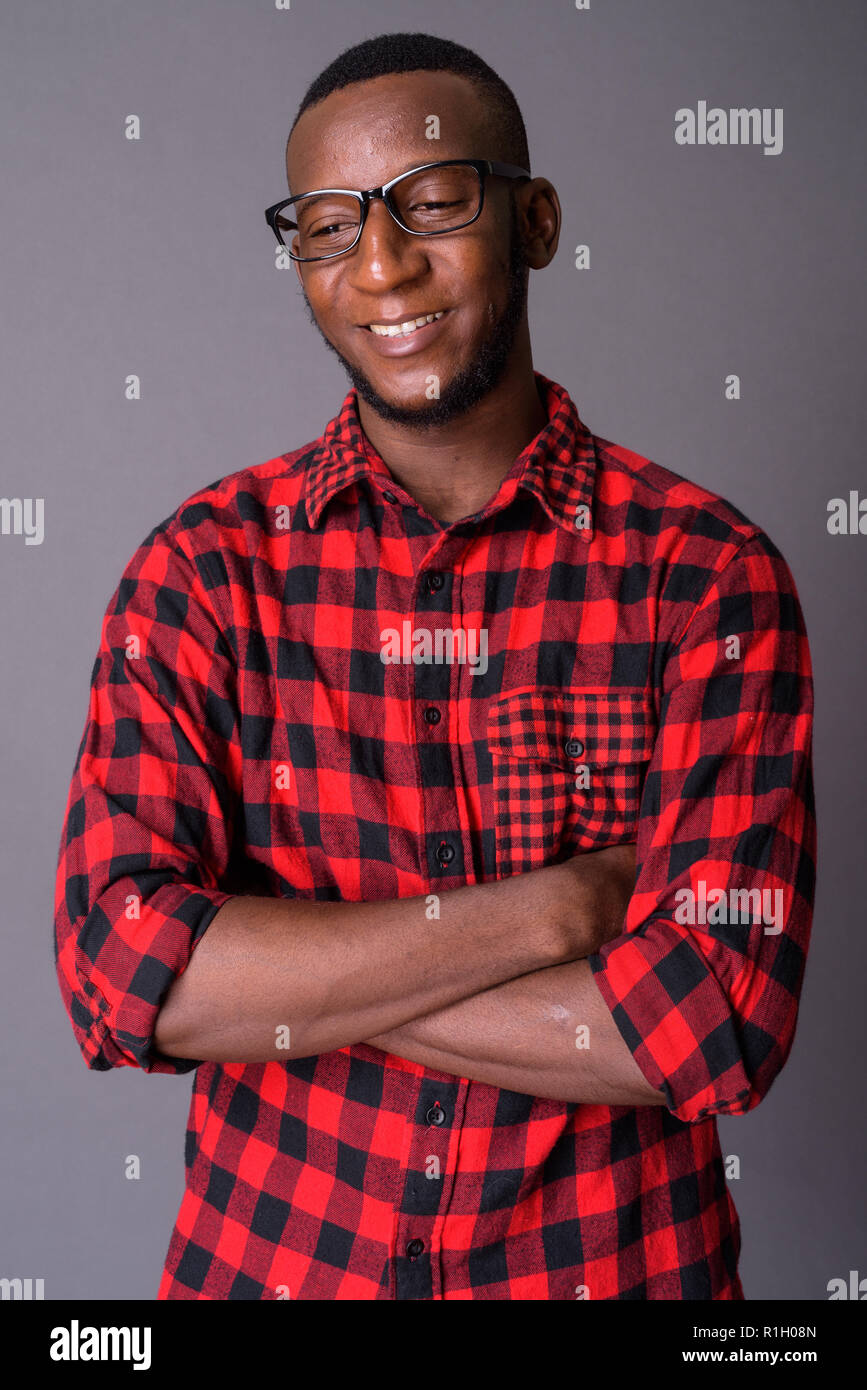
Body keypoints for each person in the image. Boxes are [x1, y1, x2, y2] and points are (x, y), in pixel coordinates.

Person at [54, 31, 816, 1301]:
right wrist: (558, 913)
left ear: (536, 220)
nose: (383, 266)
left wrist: (271, 982)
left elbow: (713, 1017)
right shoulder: (202, 570)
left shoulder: (706, 574)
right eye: (329, 225)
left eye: (435, 203)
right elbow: (119, 973)